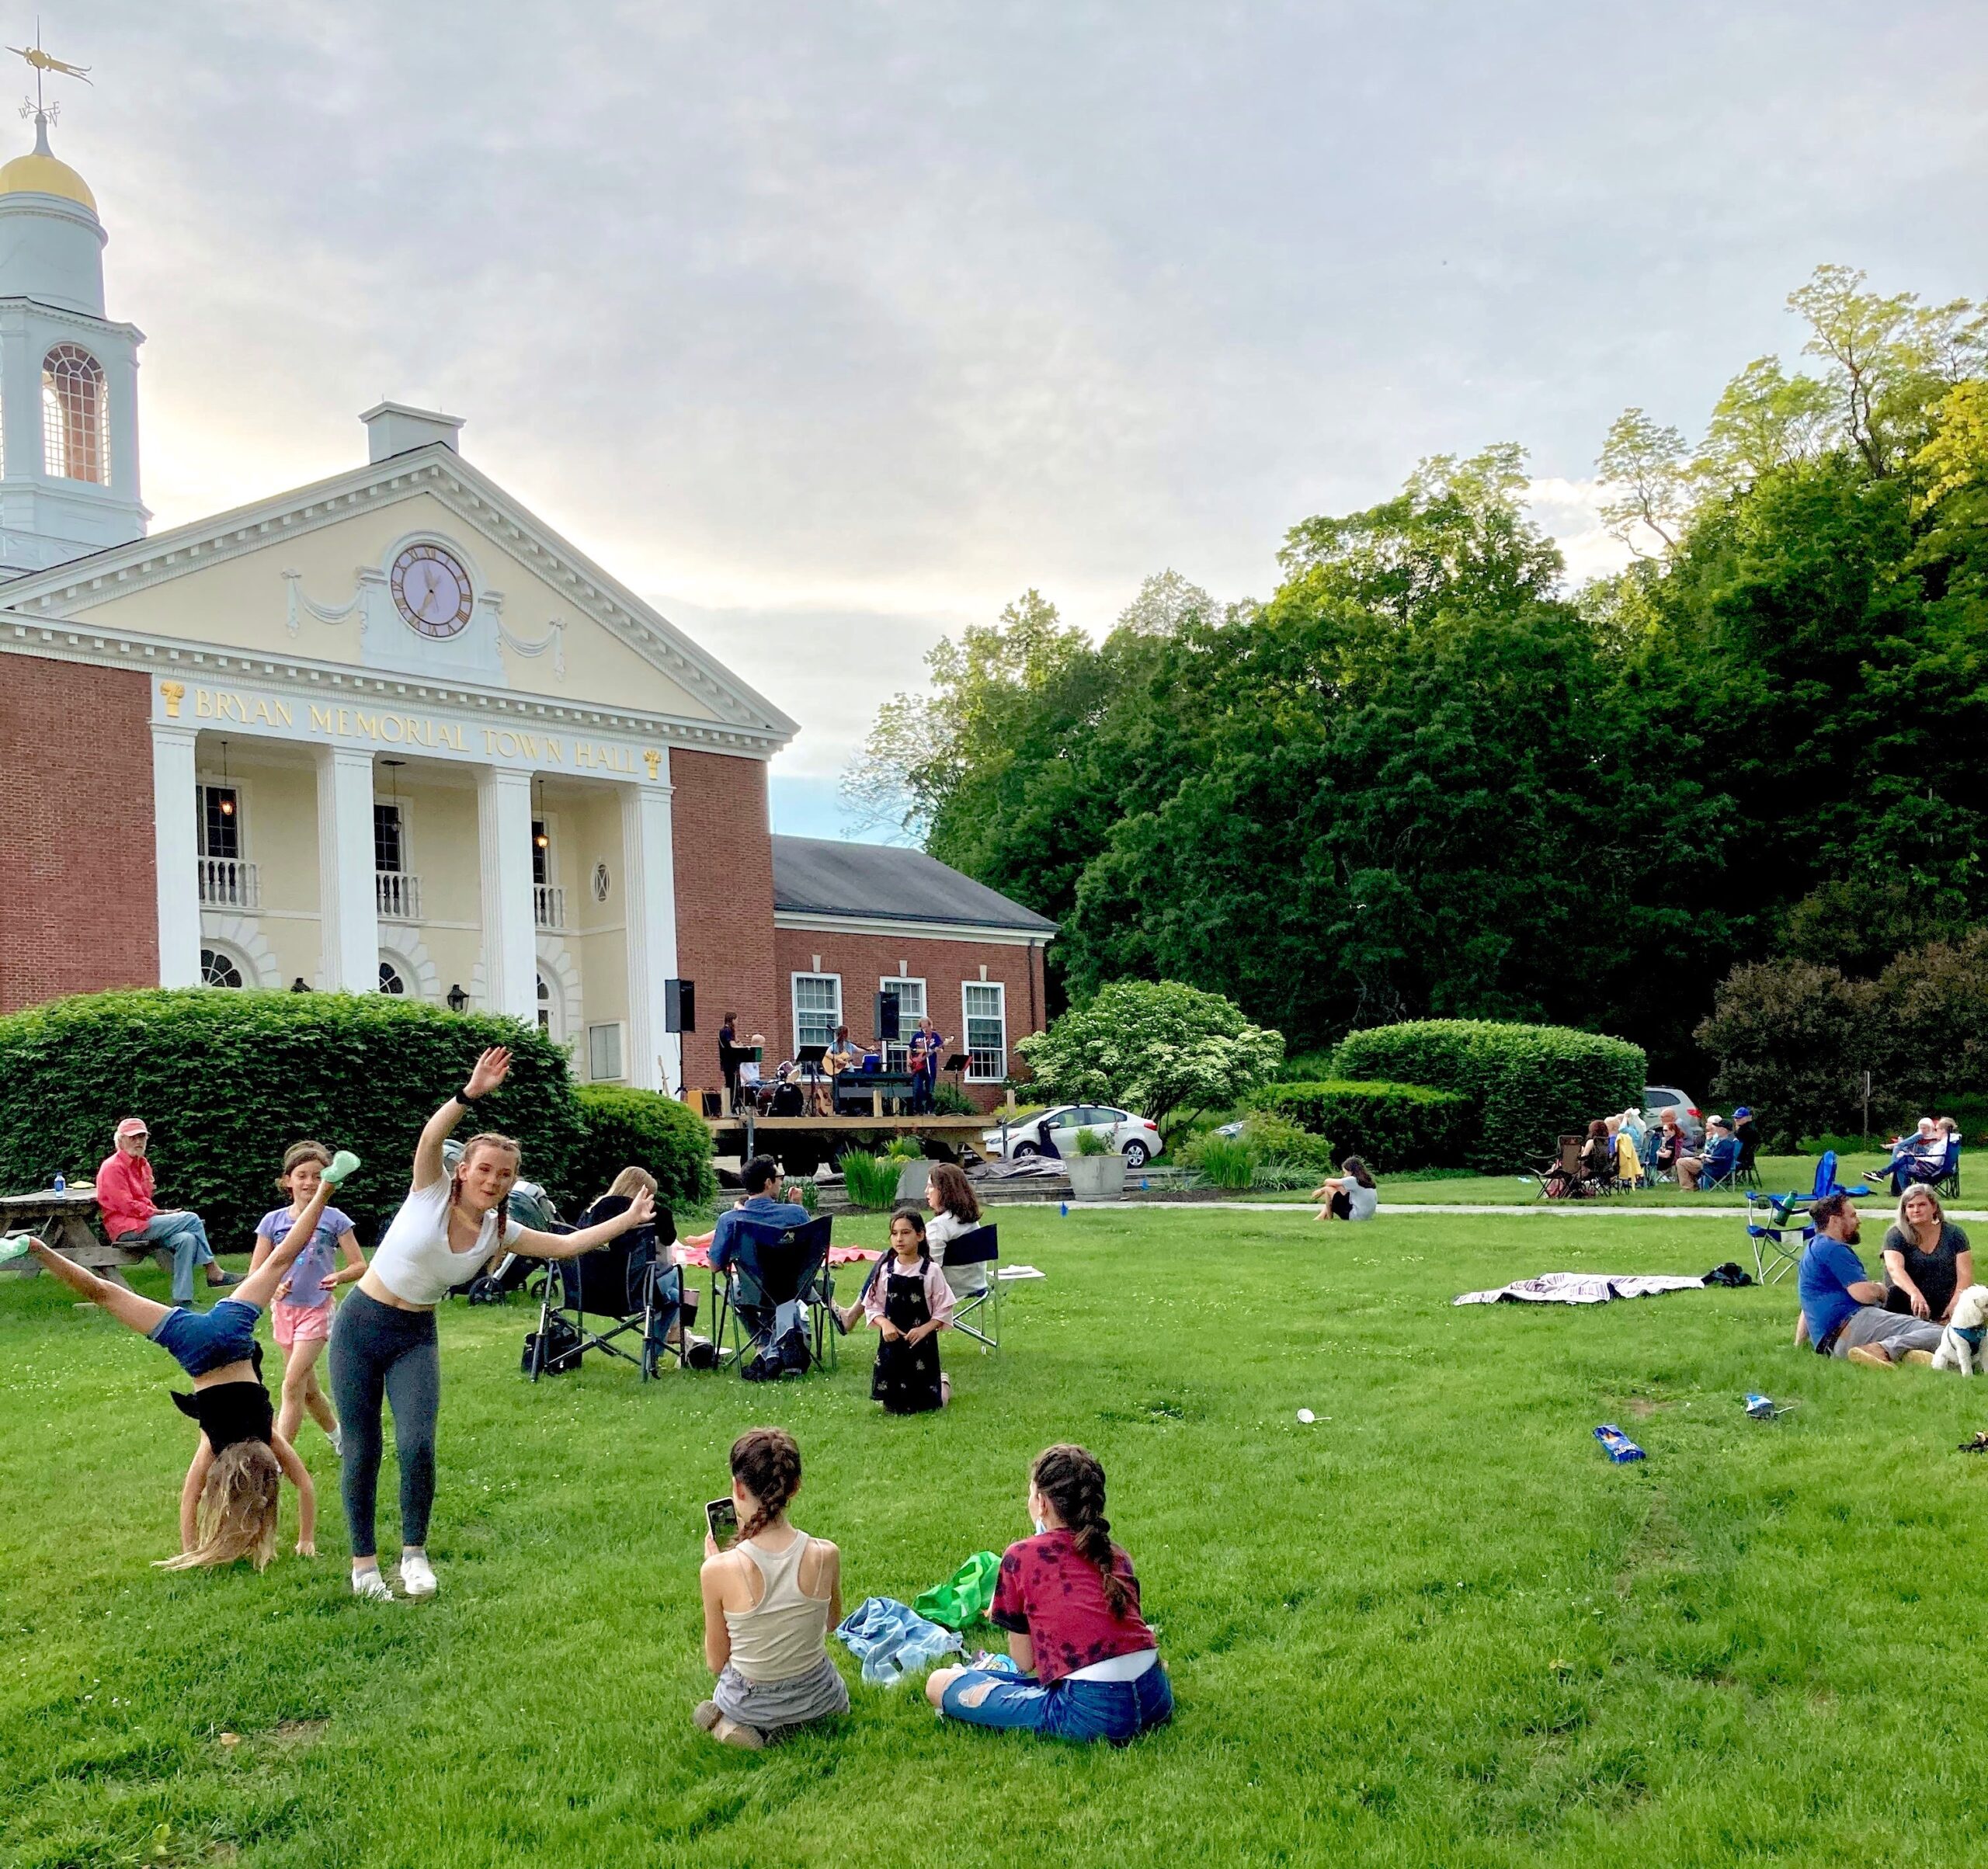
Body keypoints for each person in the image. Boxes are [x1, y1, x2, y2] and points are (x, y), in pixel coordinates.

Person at [328, 1047, 655, 1601]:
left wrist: (624, 1217)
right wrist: (468, 1094)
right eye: (484, 1169)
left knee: (417, 1445)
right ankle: (364, 1568)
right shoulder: (429, 1190)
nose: (494, 1180)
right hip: (360, 1325)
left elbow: (567, 1243)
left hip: (414, 1337)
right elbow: (430, 1138)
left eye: (505, 1174)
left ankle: (414, 1556)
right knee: (363, 1448)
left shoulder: (497, 1232)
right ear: (464, 1170)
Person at [7, 1157, 353, 1566]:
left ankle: (34, 1246)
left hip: (228, 1332)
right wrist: (301, 1542)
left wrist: (197, 1550)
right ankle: (37, 1247)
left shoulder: (265, 1436)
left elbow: (302, 1486)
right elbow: (194, 1497)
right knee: (106, 1295)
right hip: (196, 1348)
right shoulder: (214, 1441)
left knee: (279, 1261)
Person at [926, 1443, 1172, 1744]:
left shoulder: (1021, 1556)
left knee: (939, 1683)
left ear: (1042, 1503)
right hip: (1155, 1697)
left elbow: (1024, 1661)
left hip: (1091, 1710)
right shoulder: (1115, 1555)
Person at [696, 1427, 846, 1750]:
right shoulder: (826, 1553)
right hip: (821, 1699)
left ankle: (729, 1729)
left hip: (751, 1707)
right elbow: (831, 1624)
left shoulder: (718, 1570)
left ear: (738, 1488)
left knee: (704, 1712)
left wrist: (717, 1565)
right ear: (795, 1487)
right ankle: (799, 1727)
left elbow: (716, 1661)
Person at [250, 1141, 367, 1452]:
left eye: (318, 1176)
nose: (310, 1183)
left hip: (318, 1310)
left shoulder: (335, 1219)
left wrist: (339, 1276)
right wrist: (273, 1288)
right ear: (287, 1180)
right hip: (285, 1312)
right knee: (308, 1388)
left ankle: (276, 1458)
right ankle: (342, 1440)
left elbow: (360, 1265)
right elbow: (255, 1272)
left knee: (291, 1384)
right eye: (302, 1175)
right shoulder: (272, 1222)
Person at [96, 1117, 236, 1304]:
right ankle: (214, 1271)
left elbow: (143, 1200)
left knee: (187, 1239)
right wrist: (160, 1213)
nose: (138, 1142)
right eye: (133, 1137)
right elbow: (126, 1206)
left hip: (145, 1223)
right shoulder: (112, 1167)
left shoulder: (142, 1164)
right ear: (120, 1140)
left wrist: (158, 1212)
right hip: (127, 1229)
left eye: (142, 1137)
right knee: (191, 1219)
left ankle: (182, 1300)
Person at [1794, 1191, 1945, 1367]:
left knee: (1914, 1332)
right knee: (1943, 1332)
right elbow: (1863, 1294)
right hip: (1853, 1326)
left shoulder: (1813, 1249)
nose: (1858, 1221)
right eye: (1852, 1216)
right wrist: (1880, 1289)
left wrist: (1799, 1345)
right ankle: (1882, 1349)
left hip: (1833, 1345)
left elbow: (1806, 1307)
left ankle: (1906, 1354)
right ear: (1834, 1221)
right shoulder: (1834, 1250)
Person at [708, 1155, 814, 1355]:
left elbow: (715, 1266)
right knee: (777, 1289)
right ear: (768, 1183)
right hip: (797, 1289)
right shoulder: (795, 1214)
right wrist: (796, 1205)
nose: (782, 1181)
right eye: (779, 1177)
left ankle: (763, 1342)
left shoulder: (730, 1220)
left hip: (755, 1291)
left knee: (735, 1288)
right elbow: (812, 1252)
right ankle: (781, 1340)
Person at [864, 1206, 953, 1412]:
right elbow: (872, 1304)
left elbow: (943, 1308)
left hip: (922, 1344)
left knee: (930, 1405)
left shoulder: (931, 1271)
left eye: (906, 1233)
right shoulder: (885, 1270)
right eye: (894, 1234)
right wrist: (885, 1324)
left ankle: (943, 1384)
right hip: (892, 1344)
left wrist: (925, 1329)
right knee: (893, 1406)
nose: (899, 1239)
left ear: (920, 1235)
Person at [1881, 1184, 1973, 1325]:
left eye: (1922, 1205)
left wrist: (1956, 1302)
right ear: (1904, 1211)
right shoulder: (1895, 1235)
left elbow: (1965, 1274)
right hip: (1905, 1305)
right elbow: (1895, 1270)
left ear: (1934, 1207)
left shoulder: (1955, 1234)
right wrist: (1915, 1294)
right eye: (1910, 1206)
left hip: (1945, 1304)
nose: (1916, 1210)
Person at [924, 1161, 987, 1304]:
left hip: (949, 1290)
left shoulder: (938, 1226)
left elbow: (931, 1269)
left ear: (944, 1190)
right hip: (977, 1285)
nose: (926, 1191)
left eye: (931, 1187)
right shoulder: (971, 1222)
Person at [1677, 1117, 1739, 1192]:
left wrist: (1704, 1157)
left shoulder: (1725, 1143)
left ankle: (1688, 1188)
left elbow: (1714, 1159)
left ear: (1723, 1130)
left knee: (1681, 1162)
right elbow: (1716, 1156)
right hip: (1714, 1165)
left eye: (1718, 1127)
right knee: (1683, 1160)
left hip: (1713, 1168)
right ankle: (1693, 1185)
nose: (1716, 1129)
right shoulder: (1725, 1141)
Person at [1884, 1117, 1942, 1196]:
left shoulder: (1936, 1138)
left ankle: (1904, 1192)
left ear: (1930, 1128)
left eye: (1925, 1128)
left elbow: (1932, 1153)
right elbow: (1906, 1145)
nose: (1922, 1130)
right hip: (1918, 1159)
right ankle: (1903, 1191)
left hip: (1928, 1163)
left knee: (1899, 1162)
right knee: (1900, 1159)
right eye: (1921, 1128)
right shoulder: (1920, 1136)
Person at [1312, 1156, 1378, 1221]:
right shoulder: (1367, 1180)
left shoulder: (1353, 1179)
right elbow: (1339, 1187)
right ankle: (1323, 1215)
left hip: (1355, 1216)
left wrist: (1322, 1190)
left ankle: (1326, 1217)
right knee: (1333, 1187)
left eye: (1345, 1172)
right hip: (1366, 1216)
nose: (1344, 1175)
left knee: (1328, 1188)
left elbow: (1327, 1181)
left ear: (1351, 1171)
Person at [718, 1012, 742, 1113]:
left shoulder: (726, 1031)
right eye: (736, 1020)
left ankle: (733, 1106)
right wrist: (743, 1048)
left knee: (732, 1084)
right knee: (733, 1085)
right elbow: (732, 1045)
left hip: (728, 1063)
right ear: (732, 1020)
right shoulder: (727, 1031)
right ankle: (732, 1107)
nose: (738, 1022)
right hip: (730, 1063)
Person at [1653, 1108, 1686, 1180]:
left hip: (1667, 1162)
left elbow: (1667, 1155)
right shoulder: (1675, 1139)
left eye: (1666, 1130)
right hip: (1669, 1160)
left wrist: (1657, 1153)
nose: (1664, 1132)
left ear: (1672, 1131)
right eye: (1663, 1131)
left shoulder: (1672, 1141)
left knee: (1650, 1159)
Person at [1580, 1120, 1615, 1186]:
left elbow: (1584, 1158)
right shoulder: (1606, 1143)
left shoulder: (1592, 1142)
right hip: (1604, 1169)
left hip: (1591, 1170)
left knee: (1560, 1164)